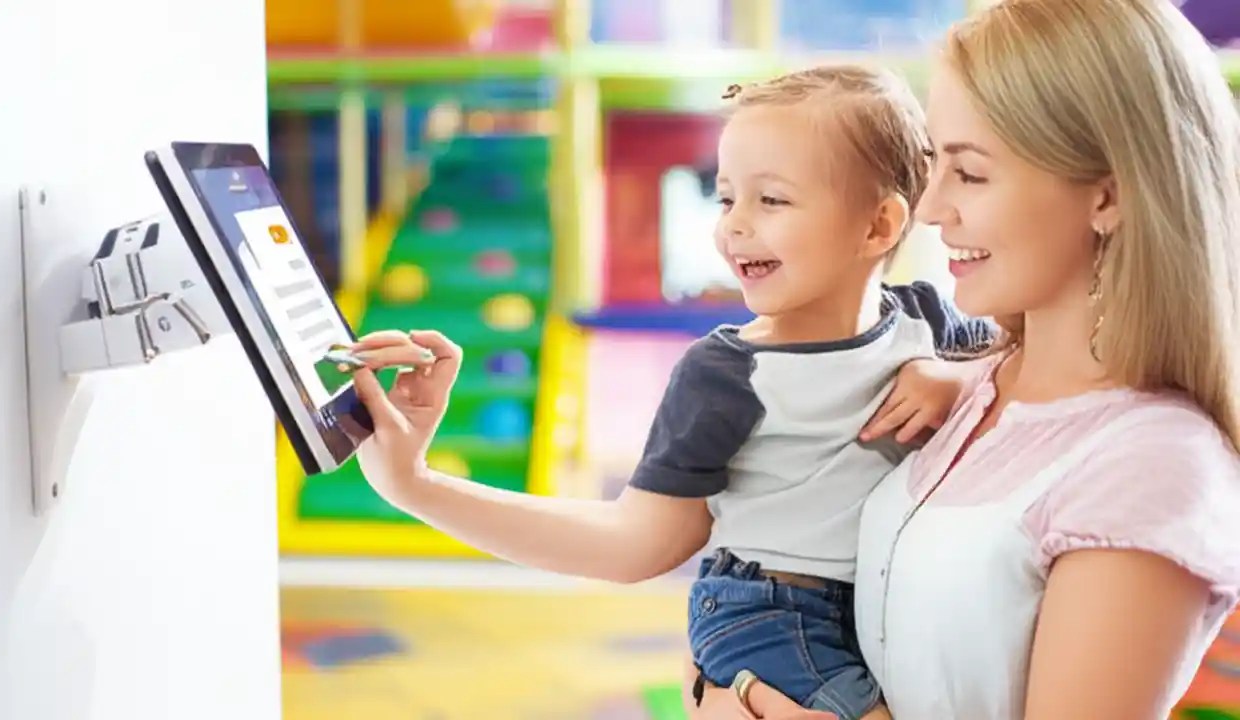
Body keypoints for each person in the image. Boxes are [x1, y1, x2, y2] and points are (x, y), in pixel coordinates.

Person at [346, 65, 994, 719]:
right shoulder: (726, 373)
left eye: (771, 200)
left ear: (879, 227)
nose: (733, 227)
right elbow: (634, 542)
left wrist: (958, 378)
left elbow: (1044, 351)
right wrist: (416, 487)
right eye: (725, 198)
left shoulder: (926, 321)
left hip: (877, 607)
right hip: (771, 614)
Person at [685, 0, 1240, 718]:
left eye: (971, 174)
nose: (929, 208)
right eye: (933, 165)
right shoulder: (966, 386)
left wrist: (756, 704)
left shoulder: (1151, 465)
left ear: (1108, 194)